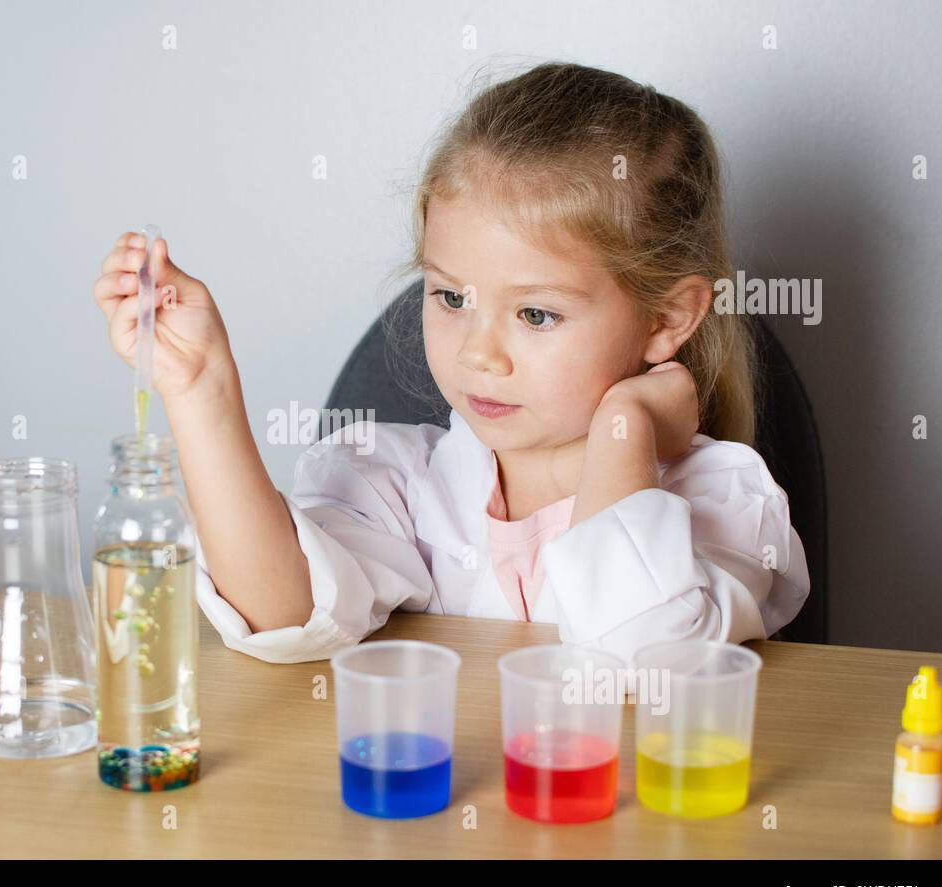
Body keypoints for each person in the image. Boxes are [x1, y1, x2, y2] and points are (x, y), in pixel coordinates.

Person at [92, 61, 809, 665]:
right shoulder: (403, 482)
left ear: (667, 318)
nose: (476, 352)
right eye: (451, 295)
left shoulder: (724, 507)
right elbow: (280, 613)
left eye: (536, 313)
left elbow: (637, 650)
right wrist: (201, 390)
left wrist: (626, 427)